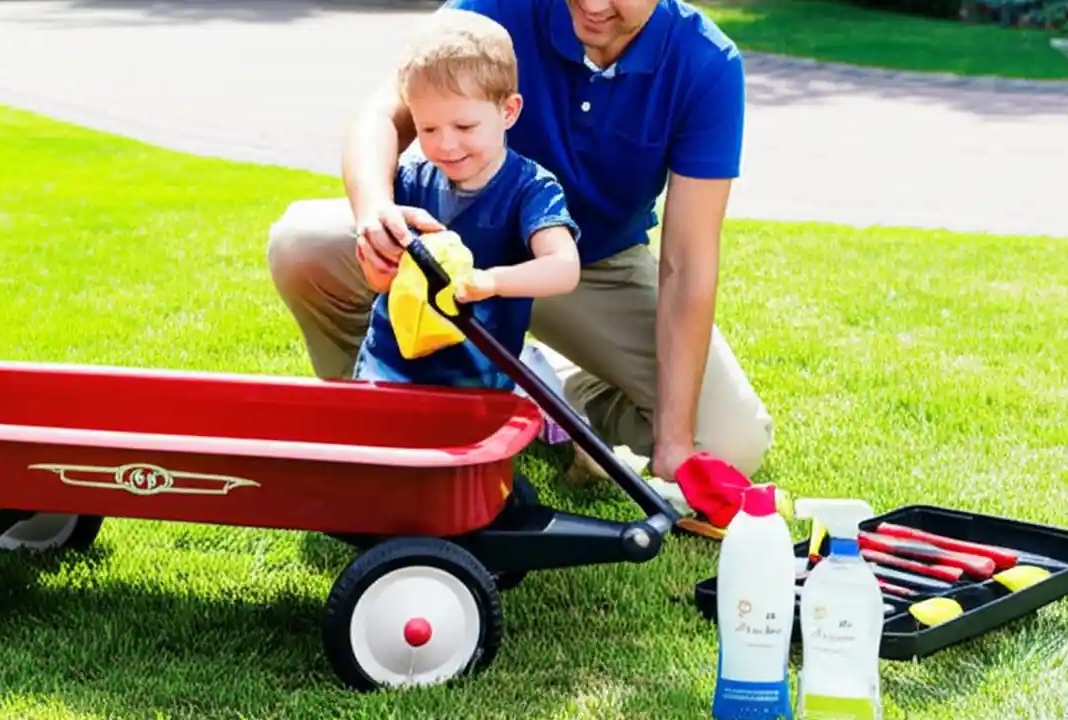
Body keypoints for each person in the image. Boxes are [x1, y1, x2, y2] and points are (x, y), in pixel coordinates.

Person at [267, 0, 775, 493]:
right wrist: (376, 210)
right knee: (301, 244)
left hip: (590, 268)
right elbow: (380, 115)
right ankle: (384, 420)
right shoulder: (498, 8)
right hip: (445, 249)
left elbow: (686, 264)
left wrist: (676, 440)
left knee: (731, 442)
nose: (593, 5)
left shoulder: (705, 63)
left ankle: (548, 387)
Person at [351, 10, 582, 392]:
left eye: (464, 126)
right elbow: (381, 279)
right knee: (377, 446)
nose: (446, 144)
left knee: (463, 449)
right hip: (392, 364)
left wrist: (489, 282)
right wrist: (377, 261)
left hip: (481, 377)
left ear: (508, 111)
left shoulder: (530, 188)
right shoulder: (409, 181)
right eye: (428, 128)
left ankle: (540, 375)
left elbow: (563, 267)